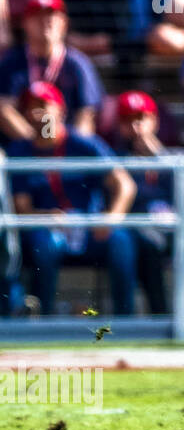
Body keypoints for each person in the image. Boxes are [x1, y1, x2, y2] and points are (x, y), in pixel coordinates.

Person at [5, 82, 138, 316]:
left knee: (121, 241)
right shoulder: (20, 151)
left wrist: (110, 218)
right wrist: (48, 217)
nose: (38, 113)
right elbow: (21, 208)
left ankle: (125, 320)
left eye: (44, 105)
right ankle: (43, 321)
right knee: (44, 244)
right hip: (49, 230)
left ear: (61, 110)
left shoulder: (83, 144)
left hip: (89, 229)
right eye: (30, 107)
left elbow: (125, 185)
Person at [112, 89, 183, 314]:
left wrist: (159, 156)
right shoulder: (117, 161)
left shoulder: (177, 156)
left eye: (141, 119)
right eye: (128, 121)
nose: (136, 127)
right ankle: (157, 314)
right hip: (141, 232)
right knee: (145, 245)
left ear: (154, 121)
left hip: (178, 230)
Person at [0, 0, 104, 143]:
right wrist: (35, 143)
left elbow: (87, 116)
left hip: (67, 147)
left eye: (52, 15)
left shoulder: (78, 64)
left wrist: (63, 147)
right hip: (22, 149)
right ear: (25, 23)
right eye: (37, 15)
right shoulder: (12, 62)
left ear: (64, 23)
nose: (45, 21)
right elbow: (4, 110)